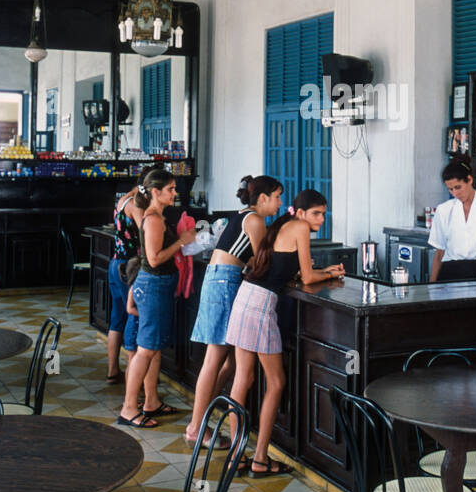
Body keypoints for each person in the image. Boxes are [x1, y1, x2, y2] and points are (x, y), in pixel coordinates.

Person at [226, 189, 344, 476]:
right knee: (276, 382)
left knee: (243, 378)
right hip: (262, 306)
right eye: (317, 213)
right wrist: (332, 274)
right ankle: (260, 459)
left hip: (245, 298)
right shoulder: (301, 227)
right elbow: (308, 276)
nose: (321, 219)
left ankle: (235, 456)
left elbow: (286, 270)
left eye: (324, 214)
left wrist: (322, 271)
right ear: (301, 213)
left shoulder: (282, 225)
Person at [184, 174, 283, 447]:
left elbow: (251, 259)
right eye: (277, 197)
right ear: (262, 198)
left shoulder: (241, 215)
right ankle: (196, 428)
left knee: (228, 361)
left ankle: (202, 420)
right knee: (215, 358)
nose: (279, 203)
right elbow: (263, 263)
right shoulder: (254, 220)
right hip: (226, 281)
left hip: (219, 278)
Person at [118, 168, 197, 428]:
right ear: (155, 192)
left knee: (154, 348)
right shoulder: (153, 219)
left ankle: (151, 401)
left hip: (158, 286)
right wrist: (182, 241)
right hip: (154, 286)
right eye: (171, 189)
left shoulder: (157, 216)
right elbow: (153, 259)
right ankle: (129, 408)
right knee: (145, 350)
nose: (175, 193)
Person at [105, 180, 144, 383]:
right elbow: (144, 232)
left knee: (117, 316)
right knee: (133, 315)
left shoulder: (123, 200)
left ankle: (113, 370)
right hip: (129, 266)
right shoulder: (136, 204)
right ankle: (133, 376)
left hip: (115, 262)